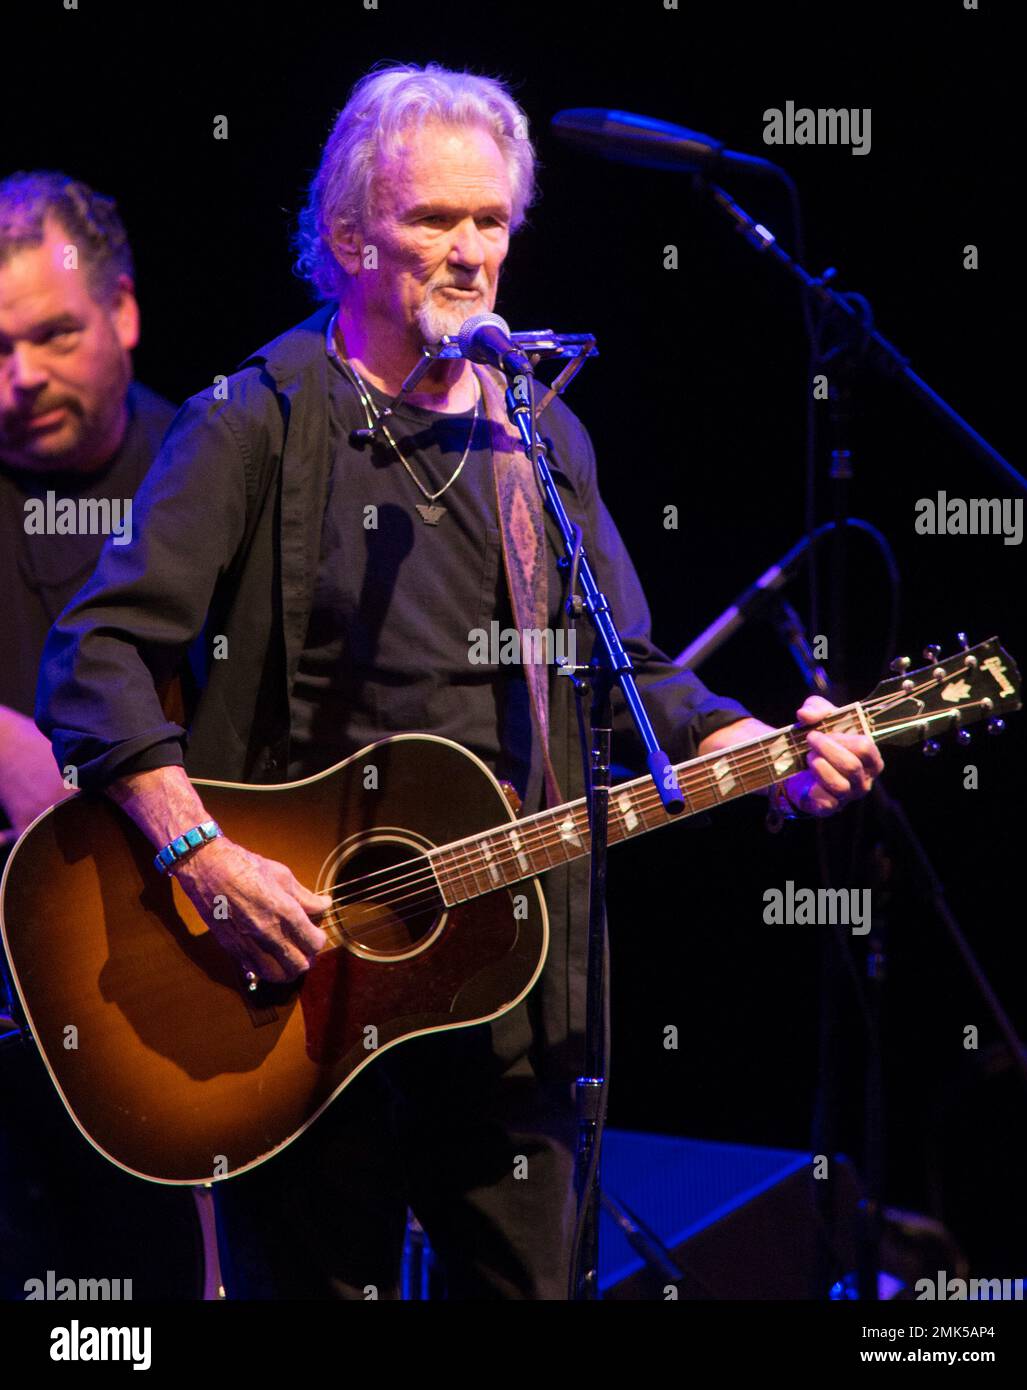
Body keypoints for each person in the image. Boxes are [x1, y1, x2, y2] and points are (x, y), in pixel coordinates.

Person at [36, 64, 883, 1300]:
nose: (470, 251)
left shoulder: (535, 434)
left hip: (511, 993)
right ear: (347, 237)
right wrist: (198, 856)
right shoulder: (254, 418)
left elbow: (626, 679)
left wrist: (755, 739)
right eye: (434, 219)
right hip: (297, 995)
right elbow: (96, 654)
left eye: (490, 221)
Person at [0, 171, 199, 1298]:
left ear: (121, 311)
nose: (21, 380)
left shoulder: (210, 467)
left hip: (178, 1017)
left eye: (54, 335)